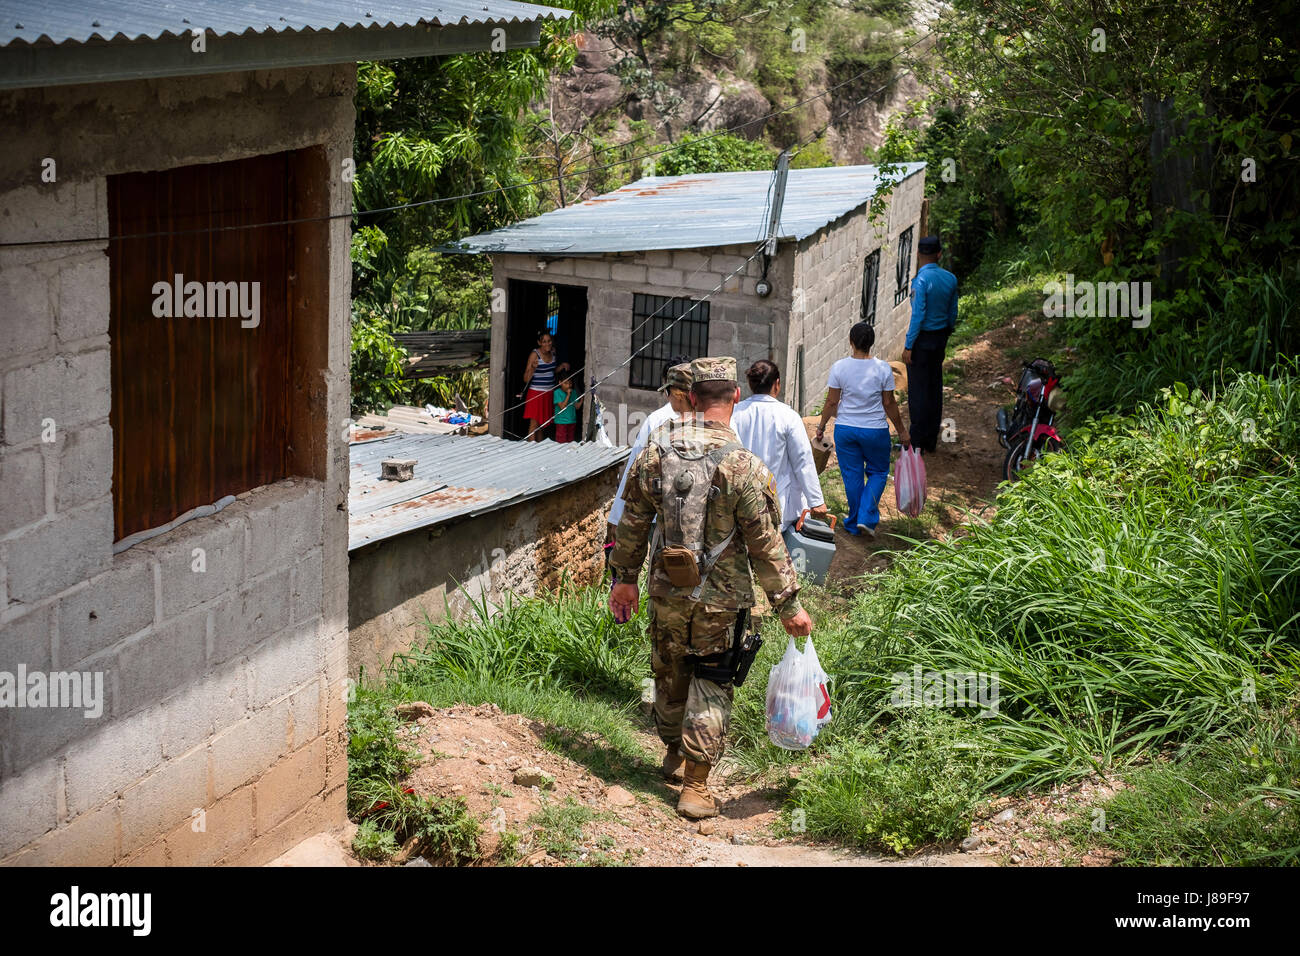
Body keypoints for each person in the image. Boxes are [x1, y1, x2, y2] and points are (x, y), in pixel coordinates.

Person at [609, 357, 814, 820]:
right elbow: (766, 544)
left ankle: (672, 752)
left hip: (666, 589)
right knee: (713, 680)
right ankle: (696, 787)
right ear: (735, 397)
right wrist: (789, 605)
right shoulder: (745, 466)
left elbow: (632, 524)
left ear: (691, 399)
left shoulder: (656, 453)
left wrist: (624, 581)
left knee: (669, 669)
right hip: (723, 600)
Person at [815, 323, 909, 538]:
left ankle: (854, 523)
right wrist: (902, 430)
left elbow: (831, 402)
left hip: (846, 430)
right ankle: (866, 518)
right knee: (877, 472)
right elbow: (889, 403)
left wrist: (821, 427)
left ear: (851, 341)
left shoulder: (839, 367)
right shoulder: (883, 368)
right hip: (875, 431)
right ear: (871, 343)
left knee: (852, 476)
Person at [732, 359, 829, 532]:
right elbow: (802, 461)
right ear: (777, 384)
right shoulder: (788, 416)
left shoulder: (736, 413)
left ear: (749, 383)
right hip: (777, 504)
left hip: (740, 503)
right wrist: (816, 501)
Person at [606, 355, 694, 537]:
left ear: (668, 387)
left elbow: (634, 467)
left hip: (661, 515)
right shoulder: (712, 416)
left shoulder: (657, 419)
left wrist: (617, 517)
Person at [901, 235, 958, 453]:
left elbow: (918, 315)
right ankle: (931, 439)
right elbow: (953, 312)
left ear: (918, 254)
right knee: (934, 386)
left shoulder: (920, 281)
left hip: (922, 340)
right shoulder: (950, 278)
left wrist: (908, 345)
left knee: (918, 390)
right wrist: (946, 331)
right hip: (940, 337)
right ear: (939, 254)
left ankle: (916, 440)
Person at [520, 331, 568, 442]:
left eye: (549, 341)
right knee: (534, 425)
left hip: (548, 393)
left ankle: (539, 450)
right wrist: (532, 367)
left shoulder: (553, 353)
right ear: (539, 343)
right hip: (536, 393)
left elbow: (551, 371)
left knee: (542, 425)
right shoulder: (535, 355)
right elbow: (526, 379)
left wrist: (561, 366)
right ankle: (530, 451)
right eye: (544, 341)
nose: (547, 344)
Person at [553, 374, 582, 443]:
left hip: (572, 421)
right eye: (565, 383)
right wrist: (568, 395)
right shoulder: (557, 392)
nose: (568, 386)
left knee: (570, 442)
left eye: (570, 383)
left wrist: (581, 400)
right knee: (561, 442)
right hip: (561, 421)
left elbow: (577, 407)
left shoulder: (574, 392)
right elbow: (562, 407)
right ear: (560, 383)